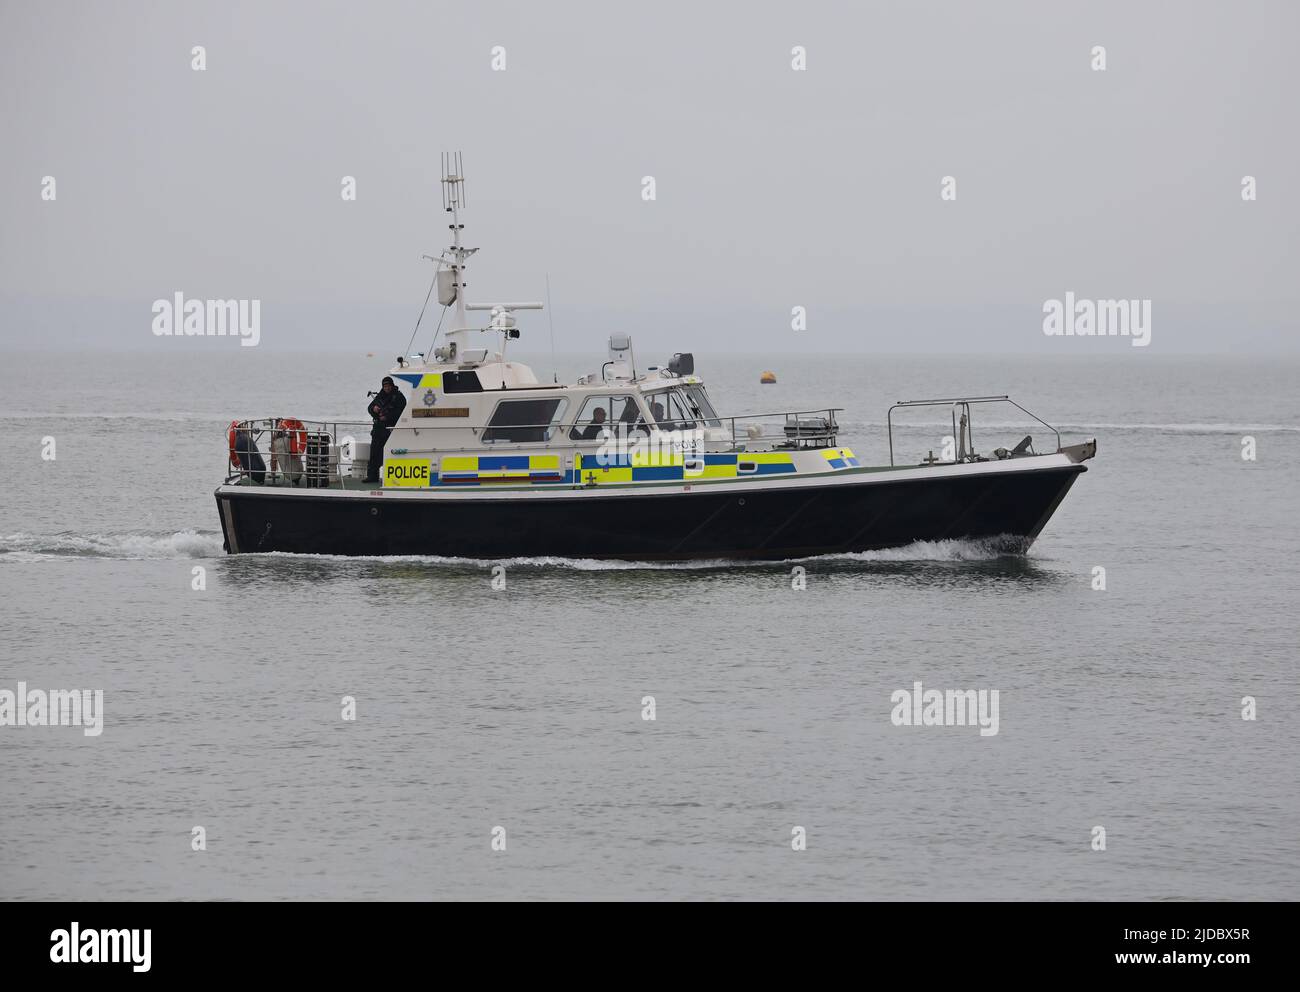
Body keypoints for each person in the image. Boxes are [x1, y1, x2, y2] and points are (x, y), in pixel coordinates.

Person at [364, 376, 407, 482]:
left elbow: (401, 412)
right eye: (385, 386)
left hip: (390, 430)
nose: (387, 388)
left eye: (388, 386)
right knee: (374, 453)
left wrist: (387, 416)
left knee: (390, 454)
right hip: (378, 429)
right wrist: (374, 410)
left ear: (392, 386)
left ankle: (392, 477)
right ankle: (372, 476)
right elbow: (370, 408)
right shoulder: (380, 396)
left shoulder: (399, 397)